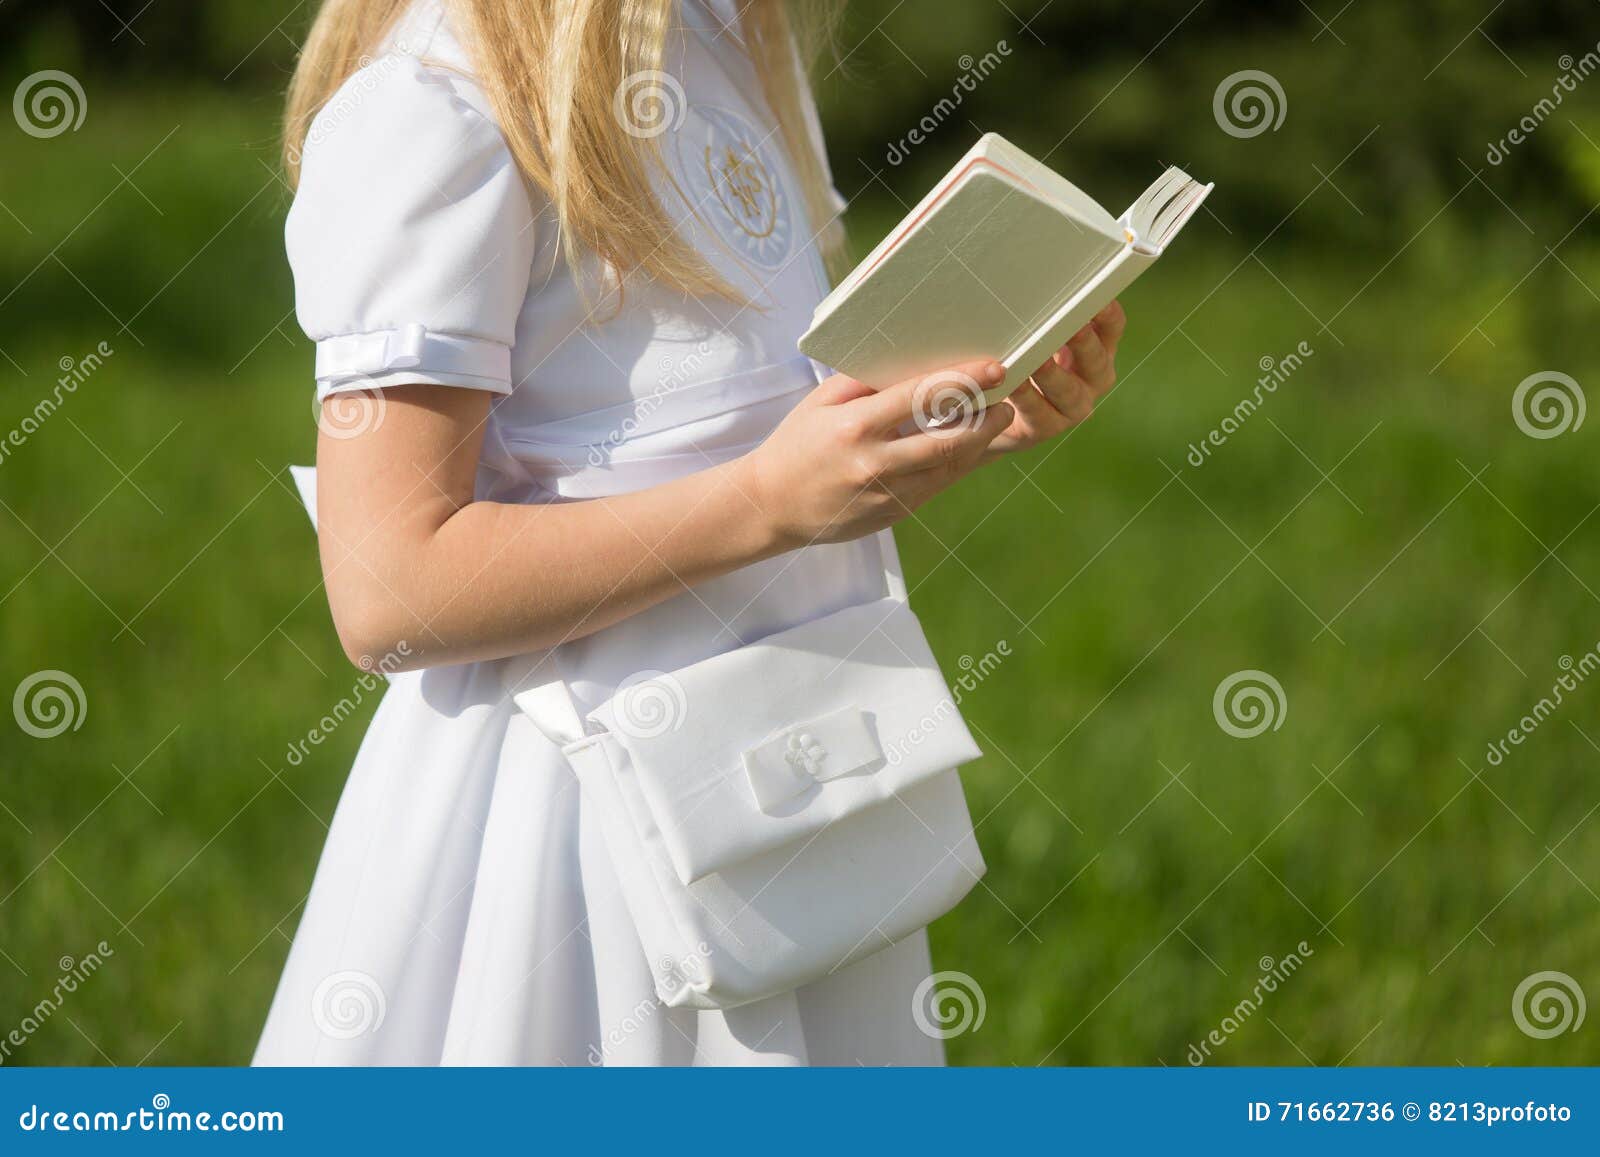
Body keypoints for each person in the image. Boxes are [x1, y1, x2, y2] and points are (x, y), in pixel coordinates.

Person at [254, 0, 1125, 1066]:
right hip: (570, 836)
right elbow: (390, 588)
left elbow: (757, 436)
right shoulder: (435, 102)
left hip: (792, 805)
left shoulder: (723, 43)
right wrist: (767, 499)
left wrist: (954, 414)